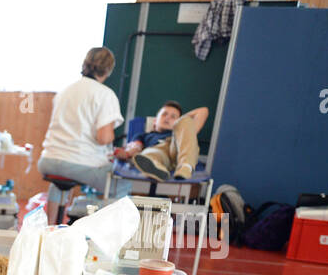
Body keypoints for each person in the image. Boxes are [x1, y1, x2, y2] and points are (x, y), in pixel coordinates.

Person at [37, 47, 132, 207]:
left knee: (60, 182)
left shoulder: (65, 91)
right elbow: (103, 138)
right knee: (122, 183)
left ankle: (51, 226)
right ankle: (104, 230)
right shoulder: (105, 94)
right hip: (79, 164)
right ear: (108, 70)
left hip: (48, 161)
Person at [114, 100, 208, 181]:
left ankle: (186, 166)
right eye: (164, 114)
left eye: (173, 117)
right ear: (155, 120)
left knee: (186, 121)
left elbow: (203, 111)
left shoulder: (183, 131)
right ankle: (159, 170)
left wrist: (179, 123)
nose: (167, 118)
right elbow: (136, 147)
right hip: (159, 153)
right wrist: (126, 154)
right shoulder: (144, 135)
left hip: (179, 149)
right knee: (149, 154)